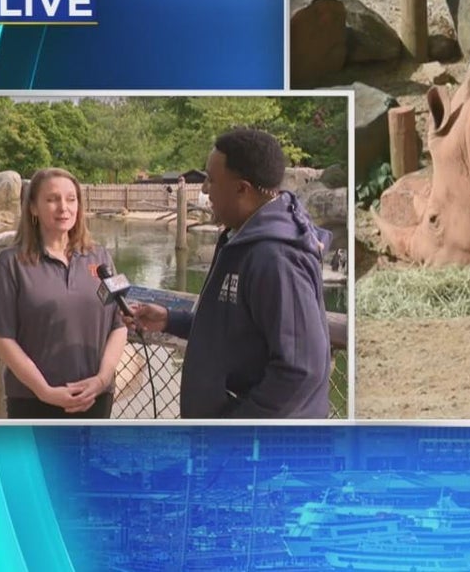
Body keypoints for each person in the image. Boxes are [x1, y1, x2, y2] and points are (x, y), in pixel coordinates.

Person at [125, 127, 332, 418]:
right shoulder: (241, 237)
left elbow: (300, 370)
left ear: (242, 189)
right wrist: (171, 320)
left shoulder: (276, 258)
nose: (205, 189)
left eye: (211, 179)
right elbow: (237, 328)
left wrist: (234, 432)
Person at [0, 168, 126, 419]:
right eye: (52, 199)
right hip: (33, 401)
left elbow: (119, 325)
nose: (63, 207)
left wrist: (102, 380)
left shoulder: (100, 258)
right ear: (33, 207)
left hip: (95, 398)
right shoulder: (11, 264)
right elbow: (2, 337)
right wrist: (45, 391)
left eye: (71, 199)